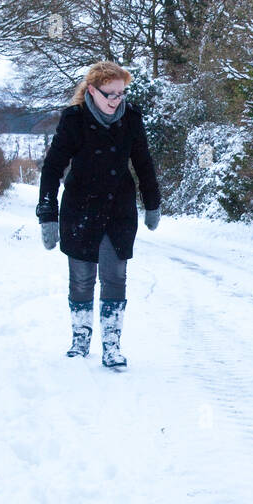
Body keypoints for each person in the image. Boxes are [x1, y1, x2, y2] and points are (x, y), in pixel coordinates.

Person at [36, 61, 161, 369]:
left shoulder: (131, 119)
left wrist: (153, 201)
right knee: (81, 280)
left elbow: (143, 162)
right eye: (111, 94)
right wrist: (47, 213)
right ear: (91, 90)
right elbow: (52, 168)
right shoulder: (74, 120)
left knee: (115, 277)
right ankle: (80, 339)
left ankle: (112, 345)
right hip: (80, 208)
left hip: (119, 209)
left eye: (122, 93)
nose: (117, 100)